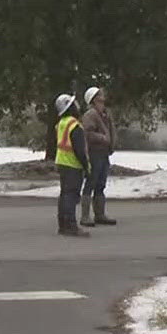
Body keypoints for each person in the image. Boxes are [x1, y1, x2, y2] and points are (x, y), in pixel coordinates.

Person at [80, 85, 117, 227]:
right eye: (100, 96)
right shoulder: (90, 115)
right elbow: (87, 133)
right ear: (94, 100)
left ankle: (100, 214)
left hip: (104, 153)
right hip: (95, 153)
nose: (103, 98)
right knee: (91, 182)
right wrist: (102, 138)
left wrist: (111, 143)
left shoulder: (105, 115)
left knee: (101, 184)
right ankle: (85, 216)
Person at [53, 93, 90, 238]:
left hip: (62, 162)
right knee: (71, 195)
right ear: (70, 107)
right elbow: (79, 149)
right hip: (72, 164)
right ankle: (70, 225)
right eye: (74, 104)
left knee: (64, 194)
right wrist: (86, 166)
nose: (78, 106)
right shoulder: (74, 125)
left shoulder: (61, 123)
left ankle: (63, 224)